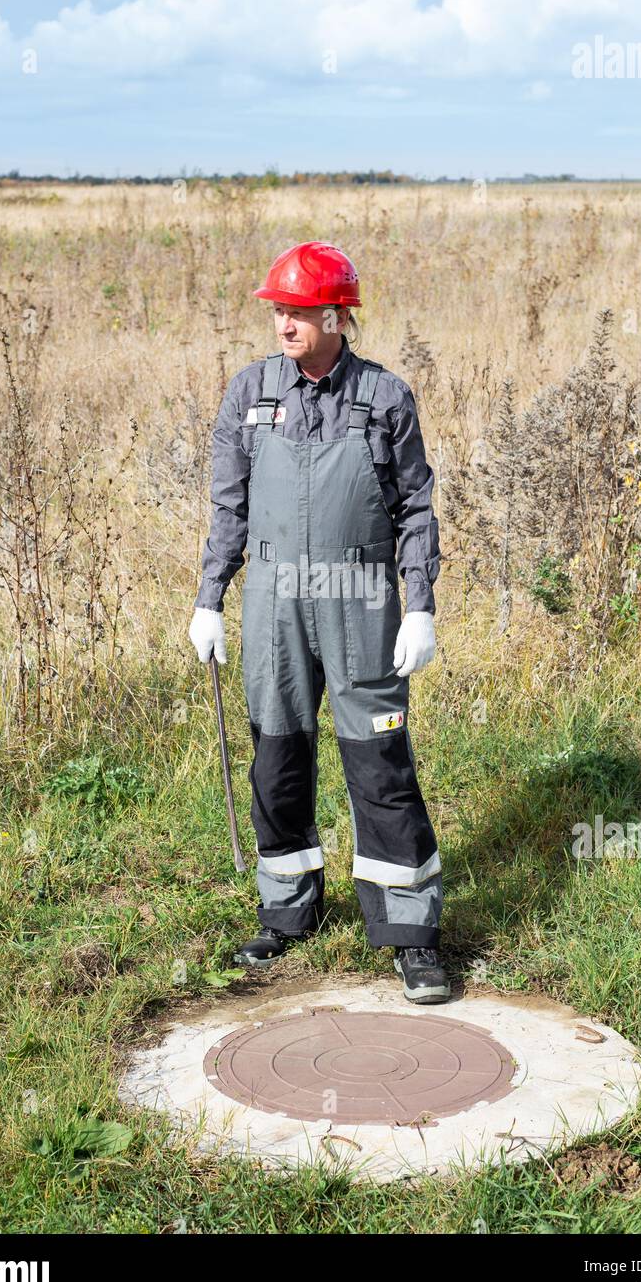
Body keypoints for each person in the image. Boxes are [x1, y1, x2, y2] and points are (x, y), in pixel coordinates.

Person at [188, 241, 448, 1003]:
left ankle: (410, 935)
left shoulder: (385, 397)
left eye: (298, 311)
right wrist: (210, 597)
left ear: (338, 315)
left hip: (362, 597)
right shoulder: (249, 393)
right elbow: (229, 506)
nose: (284, 324)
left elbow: (416, 510)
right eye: (278, 310)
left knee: (379, 758)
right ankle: (286, 912)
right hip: (272, 601)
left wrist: (420, 604)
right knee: (276, 754)